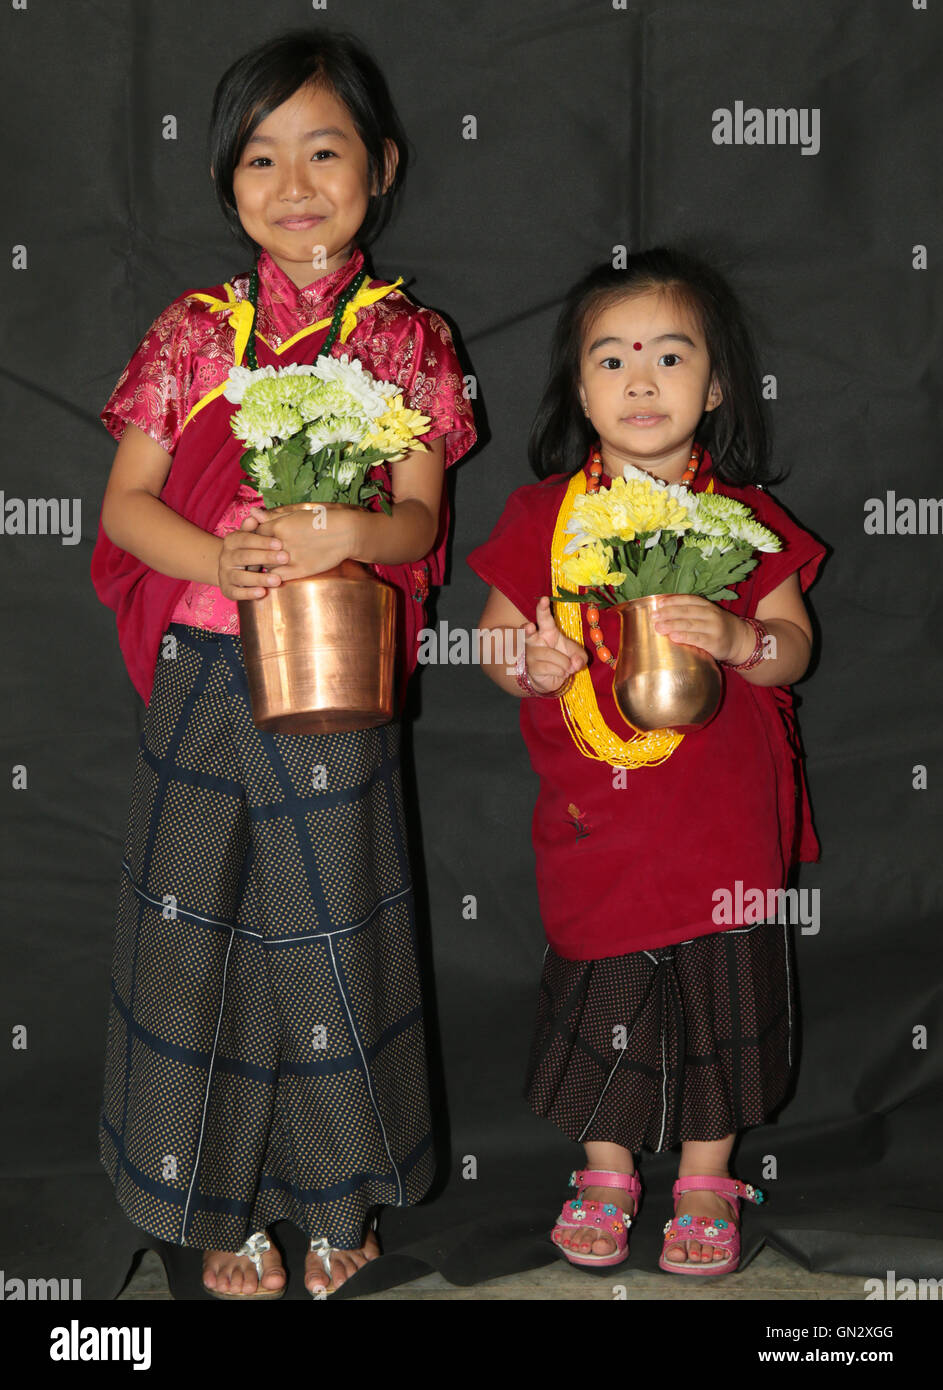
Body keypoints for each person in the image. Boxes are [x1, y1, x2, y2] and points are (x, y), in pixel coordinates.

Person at [91, 28, 476, 1299]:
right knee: (193, 940)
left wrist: (346, 531)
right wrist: (216, 558)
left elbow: (419, 520)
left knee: (328, 941)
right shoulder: (194, 334)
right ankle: (214, 1209)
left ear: (382, 166)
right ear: (226, 182)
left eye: (325, 150)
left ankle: (336, 1200)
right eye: (261, 157)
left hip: (331, 688)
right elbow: (126, 508)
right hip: (207, 674)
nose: (294, 181)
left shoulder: (407, 339)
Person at [467, 248, 825, 1276]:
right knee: (604, 993)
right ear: (578, 387)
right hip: (598, 819)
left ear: (713, 387)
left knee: (725, 992)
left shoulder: (742, 516)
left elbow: (794, 642)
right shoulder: (545, 515)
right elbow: (495, 642)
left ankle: (709, 1176)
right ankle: (607, 1168)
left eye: (670, 357)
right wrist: (523, 661)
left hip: (722, 817)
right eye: (611, 358)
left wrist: (741, 638)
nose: (639, 379)